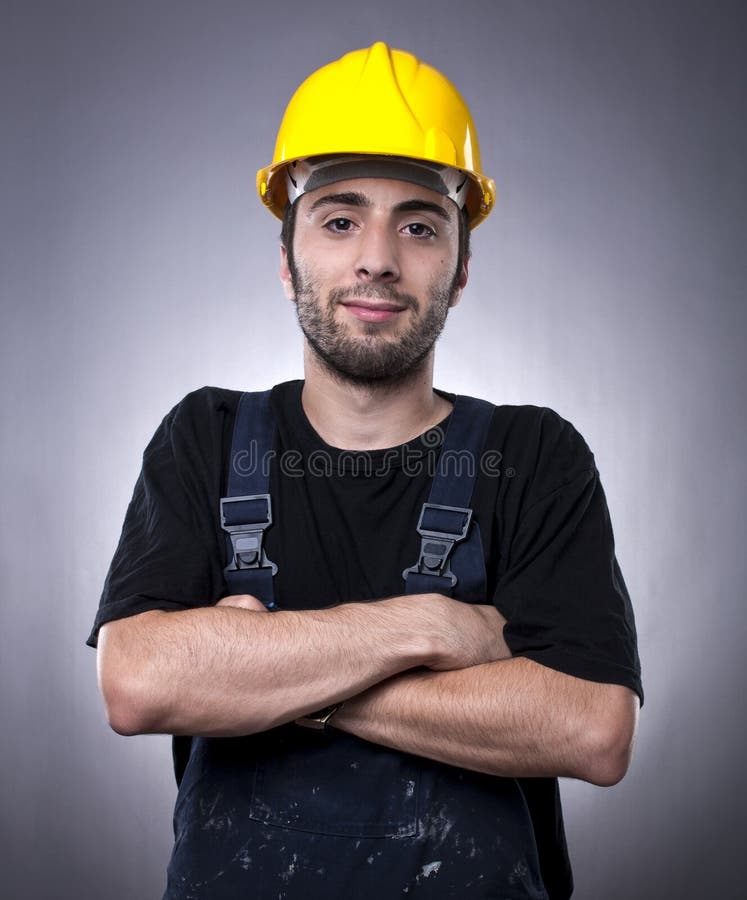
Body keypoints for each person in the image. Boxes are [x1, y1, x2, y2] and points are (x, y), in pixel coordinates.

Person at [89, 42, 642, 900]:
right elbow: (136, 683)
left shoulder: (534, 456)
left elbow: (591, 730)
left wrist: (260, 672)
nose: (377, 257)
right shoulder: (206, 434)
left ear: (459, 271)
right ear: (288, 262)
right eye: (339, 219)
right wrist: (425, 629)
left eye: (419, 225)